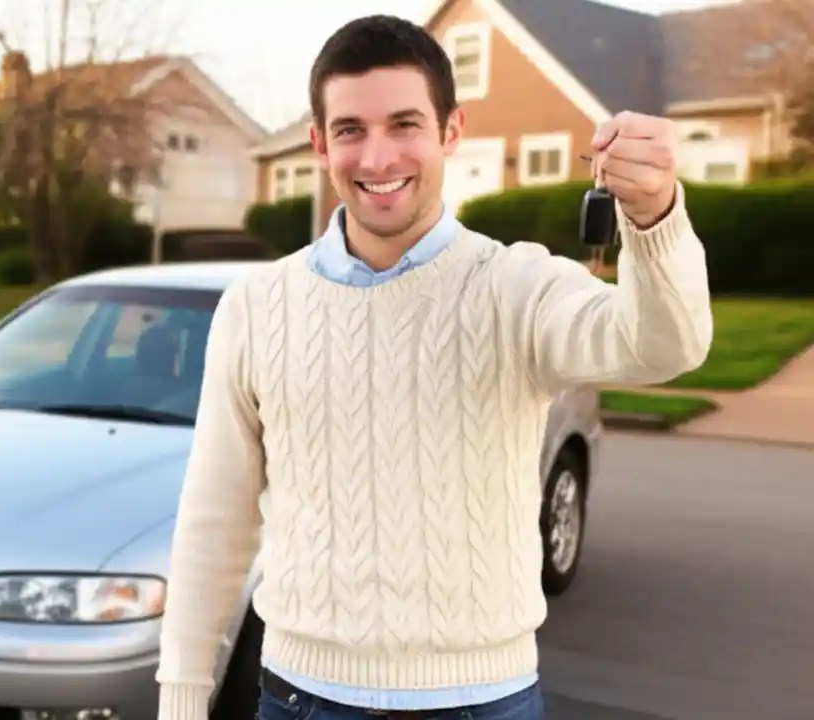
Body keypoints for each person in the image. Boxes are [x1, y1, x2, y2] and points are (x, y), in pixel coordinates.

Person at [153, 13, 713, 720]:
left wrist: (655, 217)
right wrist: (181, 698)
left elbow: (665, 346)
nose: (377, 157)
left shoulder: (517, 288)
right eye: (350, 130)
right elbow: (215, 517)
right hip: (300, 698)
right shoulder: (256, 306)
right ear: (320, 144)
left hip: (482, 702)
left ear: (451, 130)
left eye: (405, 125)